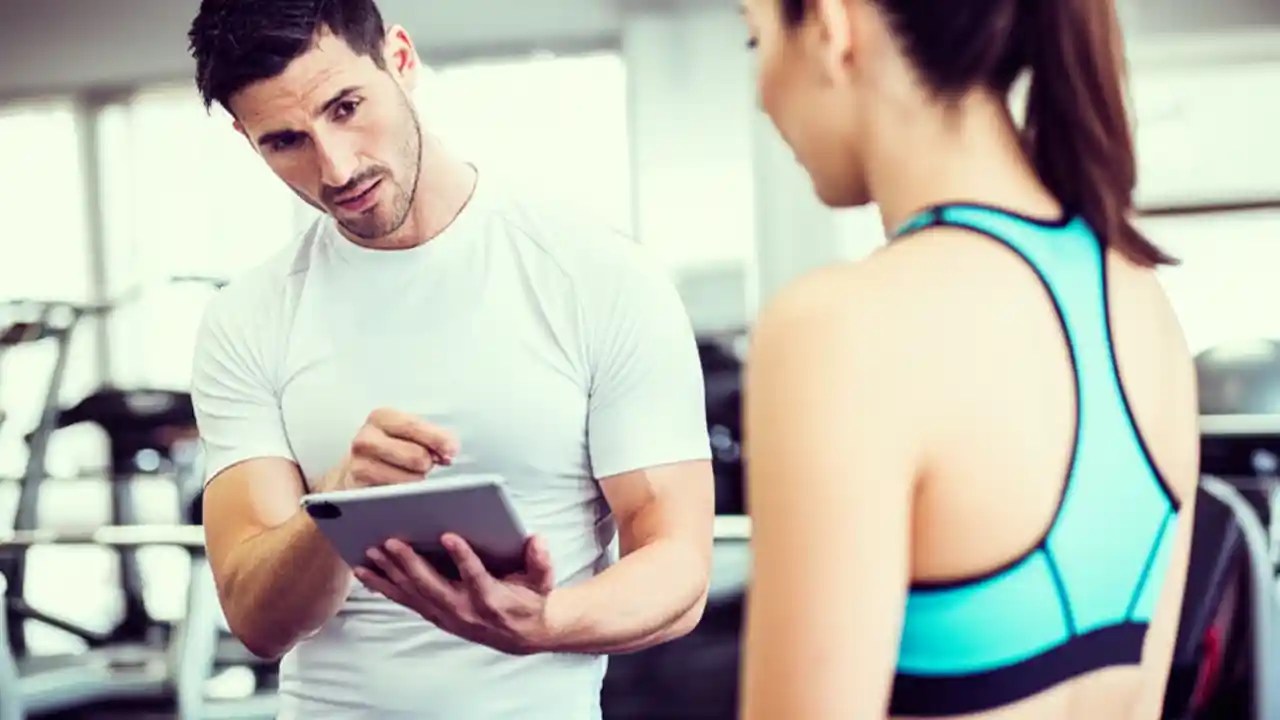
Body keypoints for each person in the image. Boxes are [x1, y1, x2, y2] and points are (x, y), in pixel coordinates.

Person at [184, 1, 715, 718]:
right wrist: (338, 501)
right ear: (252, 144)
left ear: (401, 60)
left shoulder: (598, 274)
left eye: (346, 107)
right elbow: (257, 618)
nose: (335, 167)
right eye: (286, 141)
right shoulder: (246, 318)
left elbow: (678, 566)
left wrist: (544, 624)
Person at [737, 1, 1200, 718]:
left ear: (832, 27)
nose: (762, 92)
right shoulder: (1141, 307)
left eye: (754, 38)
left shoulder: (840, 331)